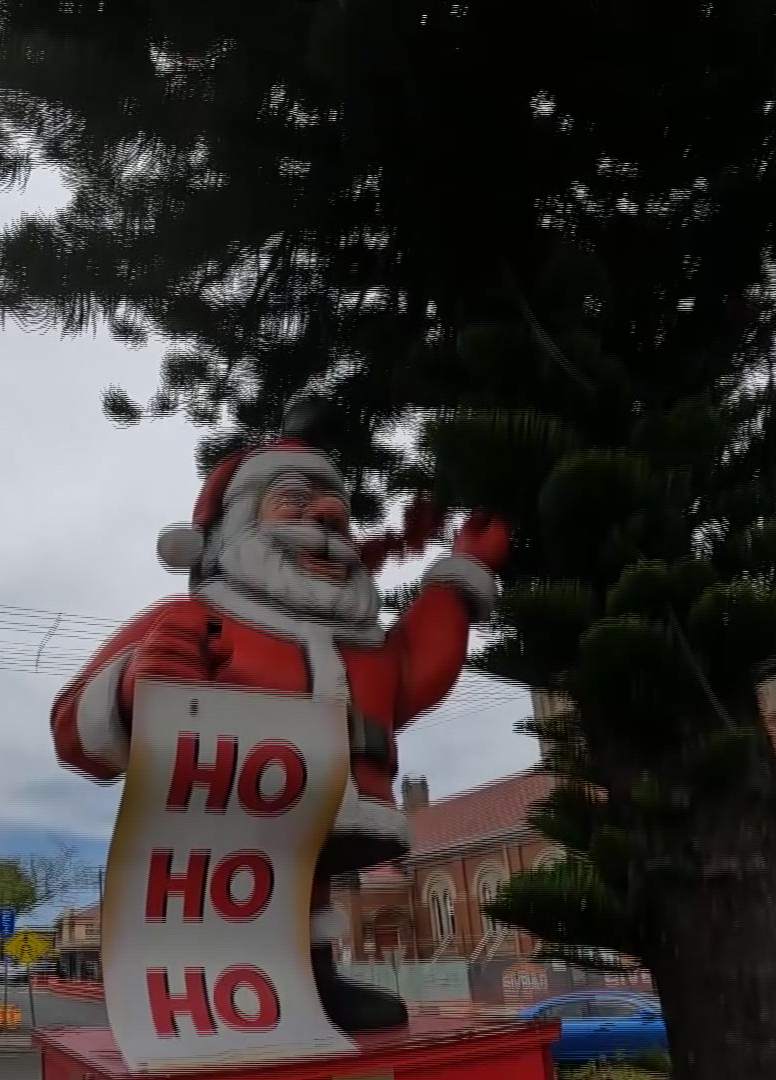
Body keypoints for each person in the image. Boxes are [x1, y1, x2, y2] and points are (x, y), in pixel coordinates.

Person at [51, 426, 507, 1033]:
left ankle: (313, 975)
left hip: (339, 816)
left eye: (340, 516)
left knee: (306, 888)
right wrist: (134, 685)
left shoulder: (368, 647)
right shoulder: (190, 621)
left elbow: (422, 667)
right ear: (234, 529)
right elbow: (72, 730)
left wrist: (463, 571)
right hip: (213, 828)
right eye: (293, 501)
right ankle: (209, 987)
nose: (325, 517)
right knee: (232, 895)